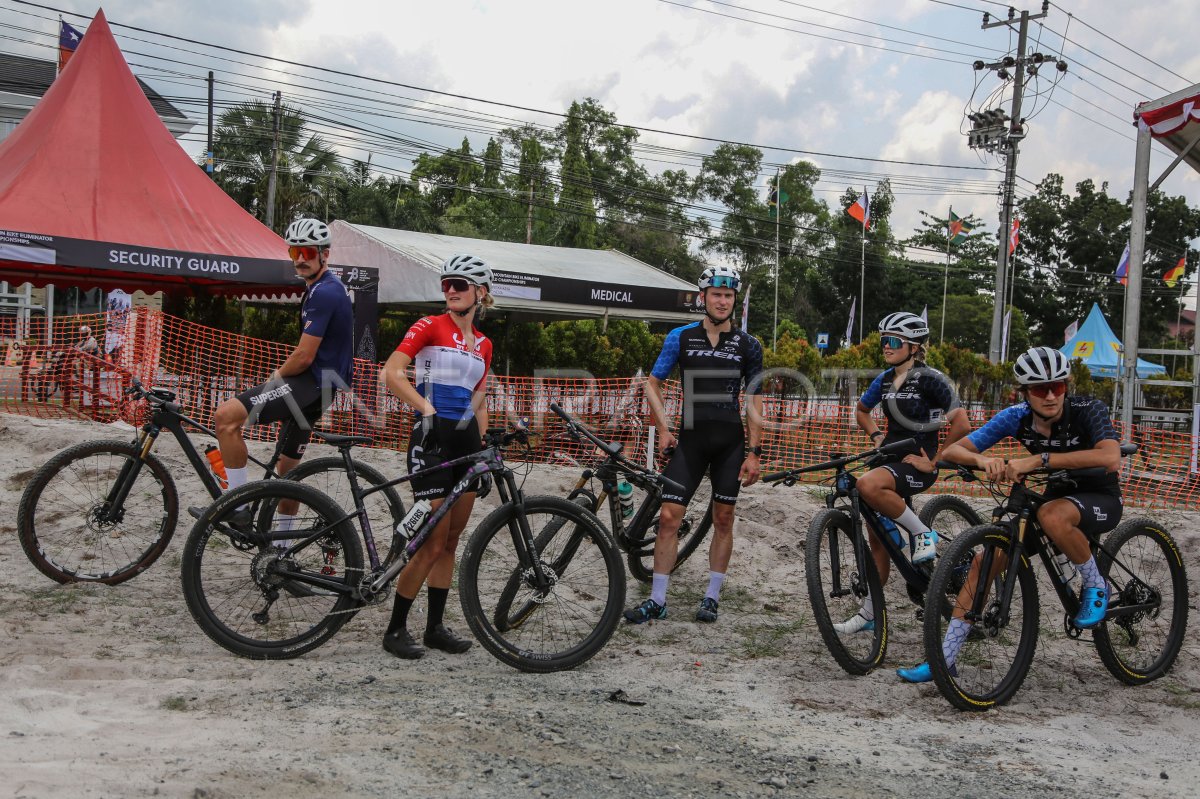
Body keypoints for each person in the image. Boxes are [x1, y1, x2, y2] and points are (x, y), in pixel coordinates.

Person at [897, 346, 1123, 683]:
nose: (1050, 396)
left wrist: (1039, 460)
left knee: (1052, 515)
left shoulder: (1088, 409)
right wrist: (984, 460)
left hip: (1100, 495)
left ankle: (1096, 585)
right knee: (984, 561)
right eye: (1040, 389)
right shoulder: (1016, 416)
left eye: (1057, 386)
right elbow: (955, 450)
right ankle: (945, 658)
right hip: (1055, 497)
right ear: (1025, 393)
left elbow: (1110, 458)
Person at [624, 264, 764, 625]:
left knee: (723, 518)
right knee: (669, 517)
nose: (722, 301)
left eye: (728, 295)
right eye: (716, 294)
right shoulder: (680, 337)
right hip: (690, 440)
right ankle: (658, 600)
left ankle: (712, 596)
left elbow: (754, 399)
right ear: (703, 297)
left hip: (730, 443)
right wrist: (664, 429)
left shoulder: (749, 345)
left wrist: (754, 452)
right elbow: (652, 383)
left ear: (734, 300)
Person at [189, 218, 353, 521]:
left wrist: (277, 376)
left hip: (311, 383)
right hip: (322, 388)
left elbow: (304, 356)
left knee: (225, 417)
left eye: (308, 252)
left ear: (325, 254)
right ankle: (281, 545)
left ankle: (236, 506)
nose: (300, 259)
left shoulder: (325, 292)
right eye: (294, 252)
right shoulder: (324, 288)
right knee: (288, 478)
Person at [379, 254, 494, 659]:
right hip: (431, 437)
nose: (450, 290)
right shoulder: (429, 325)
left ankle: (434, 628)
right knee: (430, 541)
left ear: (481, 292)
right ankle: (395, 629)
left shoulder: (485, 344)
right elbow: (391, 373)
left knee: (451, 541)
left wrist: (482, 450)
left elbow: (479, 399)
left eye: (459, 284)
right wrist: (425, 409)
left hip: (466, 441)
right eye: (446, 284)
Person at [834, 312, 971, 635]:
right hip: (887, 461)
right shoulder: (884, 379)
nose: (886, 346)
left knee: (867, 485)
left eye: (894, 341)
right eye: (884, 340)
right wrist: (875, 436)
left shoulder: (932, 379)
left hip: (915, 464)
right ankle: (870, 614)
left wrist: (934, 460)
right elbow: (862, 411)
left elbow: (962, 424)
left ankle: (923, 533)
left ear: (914, 347)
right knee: (878, 541)